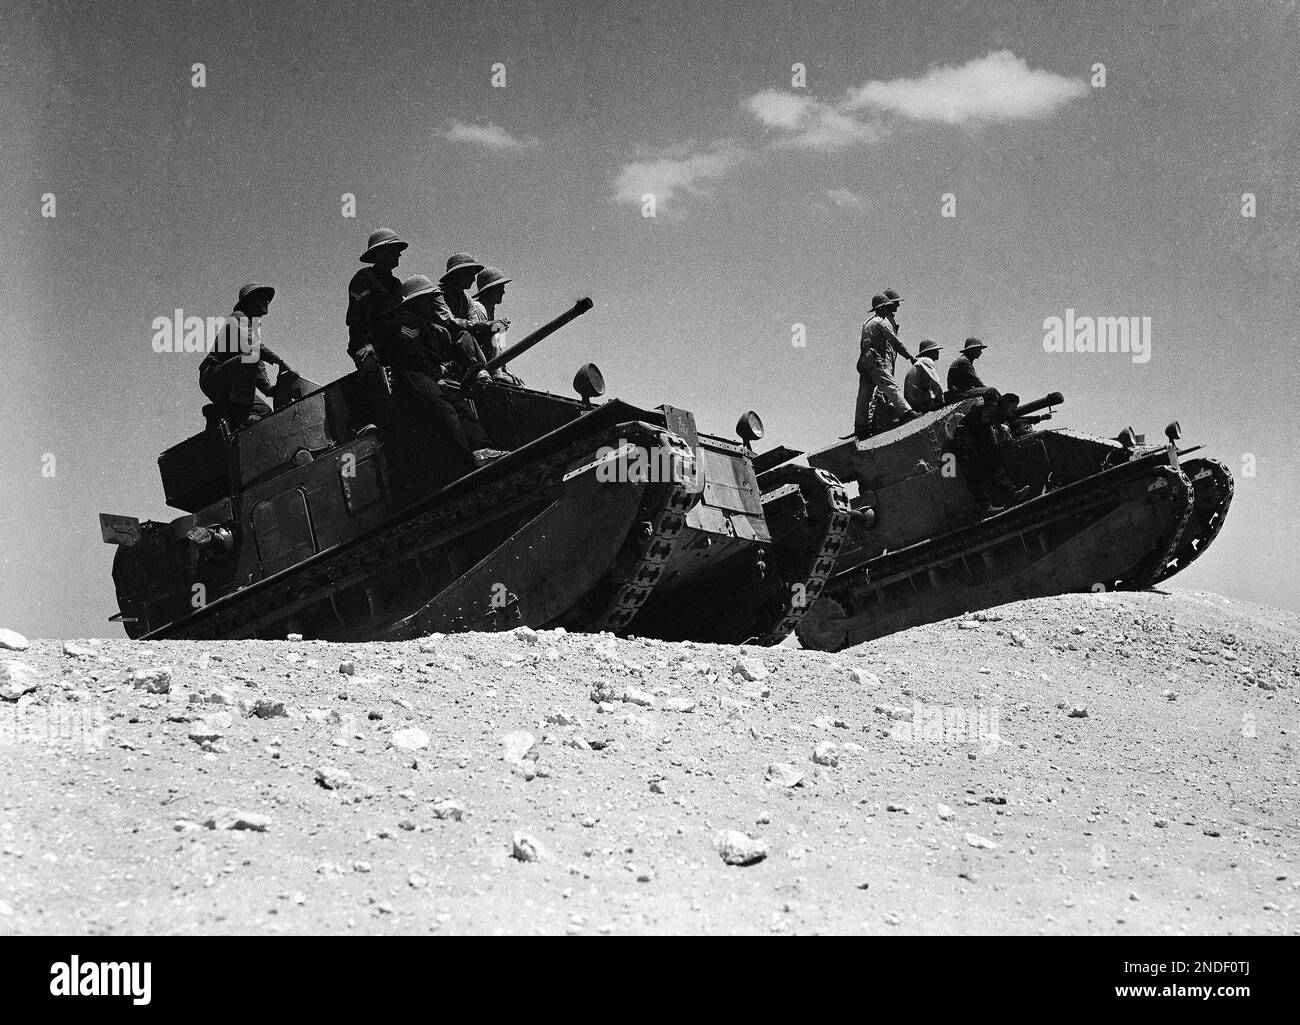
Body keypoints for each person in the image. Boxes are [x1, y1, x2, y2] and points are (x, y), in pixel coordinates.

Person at [377, 274, 508, 473]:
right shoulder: (407, 321)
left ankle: (481, 449)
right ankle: (464, 461)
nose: (432, 302)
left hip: (426, 373)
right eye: (428, 298)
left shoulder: (425, 323)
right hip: (413, 376)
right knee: (444, 411)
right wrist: (437, 377)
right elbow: (412, 355)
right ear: (418, 301)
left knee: (460, 407)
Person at [199, 283, 294, 430]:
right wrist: (279, 361)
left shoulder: (252, 325)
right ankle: (238, 413)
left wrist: (268, 389)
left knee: (264, 413)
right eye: (262, 297)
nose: (267, 301)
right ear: (249, 301)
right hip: (213, 377)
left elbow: (257, 361)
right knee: (252, 357)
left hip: (227, 382)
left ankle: (218, 414)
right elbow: (254, 350)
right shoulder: (238, 318)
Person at [852, 288, 916, 440]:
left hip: (864, 360)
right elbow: (895, 342)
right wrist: (910, 356)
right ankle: (906, 412)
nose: (890, 308)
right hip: (875, 359)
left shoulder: (867, 322)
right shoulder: (881, 322)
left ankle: (860, 427)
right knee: (889, 384)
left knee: (864, 395)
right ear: (882, 308)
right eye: (887, 306)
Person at [950, 390, 1031, 510]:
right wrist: (1000, 426)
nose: (1013, 410)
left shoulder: (998, 412)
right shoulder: (992, 407)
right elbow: (985, 418)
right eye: (1013, 407)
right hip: (964, 439)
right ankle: (985, 507)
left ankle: (1010, 494)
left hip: (974, 438)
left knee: (992, 464)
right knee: (974, 472)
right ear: (1006, 404)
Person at [346, 228, 407, 369]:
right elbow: (358, 317)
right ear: (380, 253)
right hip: (369, 348)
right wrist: (368, 344)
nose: (399, 253)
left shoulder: (396, 284)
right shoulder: (363, 279)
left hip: (391, 345)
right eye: (394, 249)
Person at [429, 253, 504, 362]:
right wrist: (486, 325)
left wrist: (493, 327)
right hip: (441, 346)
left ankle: (491, 370)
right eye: (470, 274)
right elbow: (450, 322)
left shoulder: (467, 299)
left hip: (462, 345)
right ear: (457, 274)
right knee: (464, 335)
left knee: (493, 331)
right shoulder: (438, 295)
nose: (473, 279)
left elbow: (473, 325)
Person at [471, 265, 522, 385]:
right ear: (490, 289)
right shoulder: (477, 308)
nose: (503, 291)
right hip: (480, 363)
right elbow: (473, 339)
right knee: (498, 331)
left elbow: (499, 346)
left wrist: (506, 369)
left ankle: (499, 371)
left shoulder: (490, 310)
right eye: (500, 288)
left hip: (491, 364)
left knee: (516, 383)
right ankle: (497, 374)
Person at [903, 338, 945, 413]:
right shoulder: (926, 360)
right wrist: (942, 401)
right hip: (920, 401)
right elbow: (935, 381)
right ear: (929, 352)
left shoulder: (919, 363)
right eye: (935, 350)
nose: (938, 352)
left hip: (912, 402)